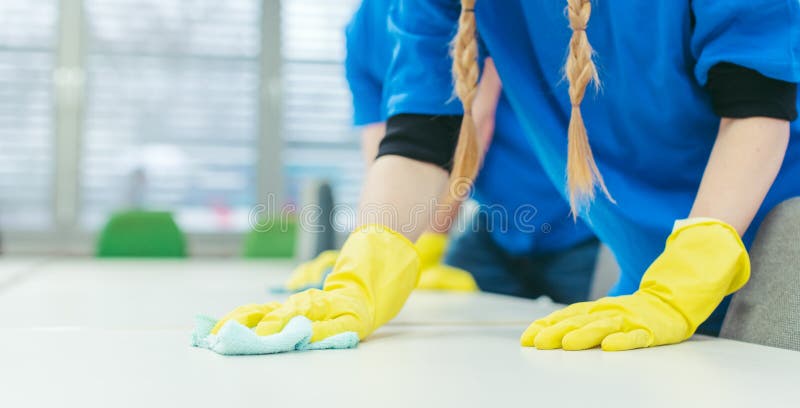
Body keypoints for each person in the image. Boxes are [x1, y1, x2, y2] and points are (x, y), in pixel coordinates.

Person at [214, 0, 799, 351]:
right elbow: (421, 136)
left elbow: (757, 108)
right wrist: (364, 269)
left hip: (779, 241)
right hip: (653, 265)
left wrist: (689, 274)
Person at [285, 0, 601, 304]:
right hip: (498, 229)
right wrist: (370, 249)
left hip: (578, 224)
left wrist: (428, 243)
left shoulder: (469, 8)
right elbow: (387, 153)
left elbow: (469, 129)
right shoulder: (361, 34)